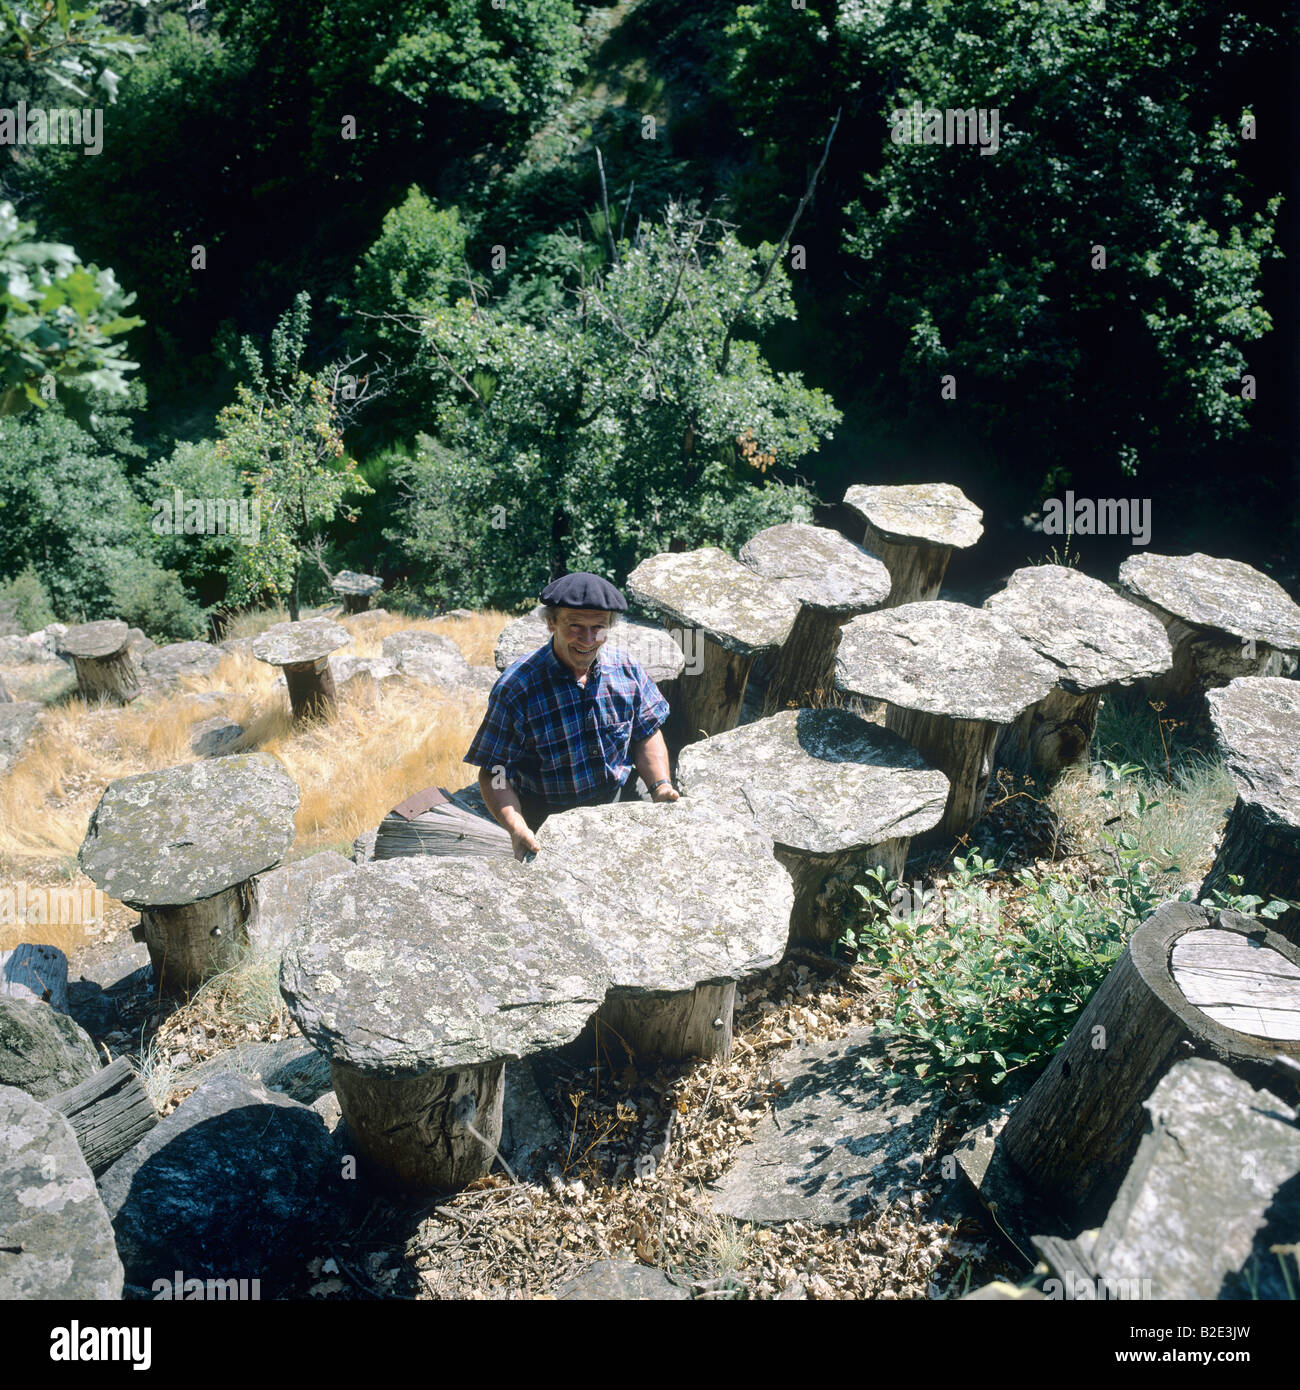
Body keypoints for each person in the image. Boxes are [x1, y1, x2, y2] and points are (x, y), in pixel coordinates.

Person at [464, 572, 679, 861]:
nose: (588, 639)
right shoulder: (518, 687)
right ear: (551, 622)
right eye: (575, 626)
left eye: (598, 627)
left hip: (617, 802)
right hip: (546, 818)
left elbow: (646, 732)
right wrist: (516, 827)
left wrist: (660, 785)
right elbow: (494, 772)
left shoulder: (626, 668)